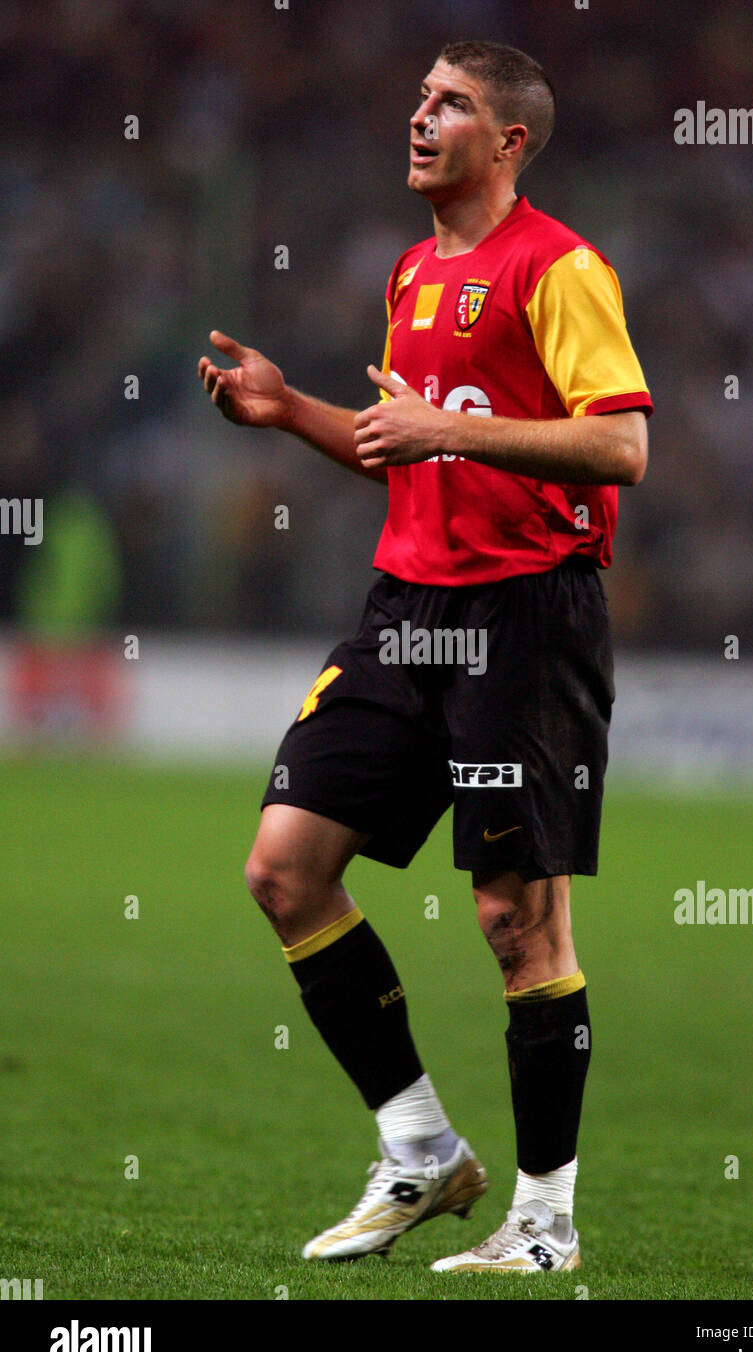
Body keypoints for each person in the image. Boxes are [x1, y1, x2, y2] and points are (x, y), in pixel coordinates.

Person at [198, 39, 652, 1274]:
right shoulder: (408, 271)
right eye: (418, 97)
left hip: (526, 619)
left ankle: (545, 1221)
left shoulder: (559, 268)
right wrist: (292, 411)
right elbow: (409, 445)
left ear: (507, 141)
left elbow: (617, 452)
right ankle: (421, 1152)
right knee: (284, 869)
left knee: (515, 921)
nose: (419, 116)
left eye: (448, 104)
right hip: (404, 612)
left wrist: (457, 431)